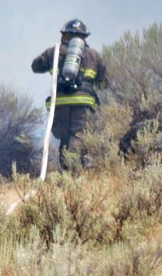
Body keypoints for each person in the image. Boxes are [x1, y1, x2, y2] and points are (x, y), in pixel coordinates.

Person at [32, 18, 107, 170]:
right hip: (83, 103)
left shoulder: (53, 52)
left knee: (64, 138)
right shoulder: (94, 55)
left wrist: (54, 57)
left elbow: (36, 67)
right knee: (79, 134)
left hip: (60, 103)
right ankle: (73, 169)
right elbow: (104, 83)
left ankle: (67, 170)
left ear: (65, 34)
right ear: (84, 37)